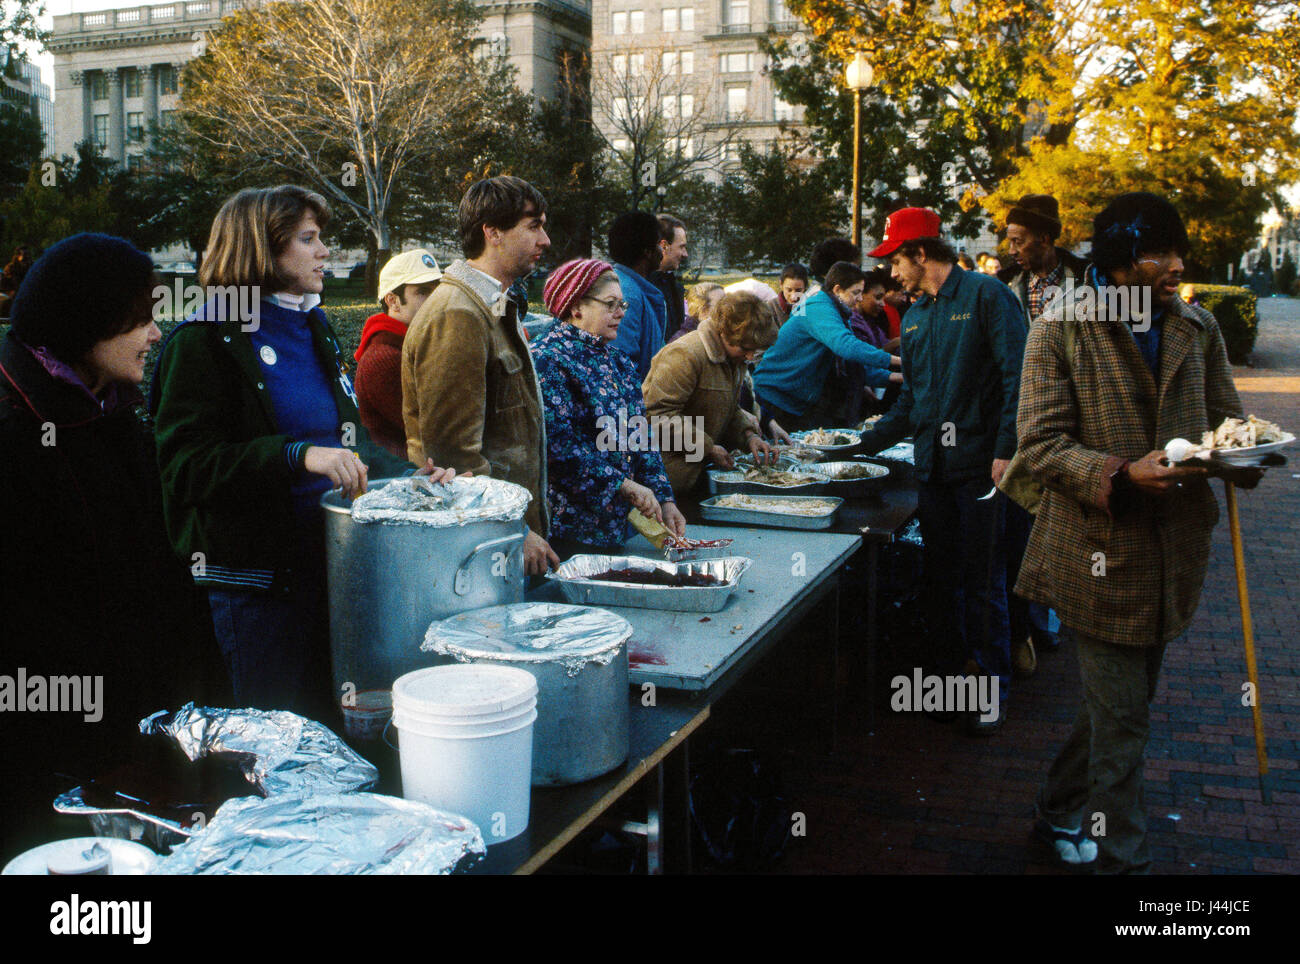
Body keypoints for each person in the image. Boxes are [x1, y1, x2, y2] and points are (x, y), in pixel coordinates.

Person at [1017, 192, 1257, 872]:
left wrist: (1241, 456)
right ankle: (1126, 861)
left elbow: (1226, 420)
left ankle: (1054, 808)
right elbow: (1040, 445)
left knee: (1115, 708)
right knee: (1124, 723)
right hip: (1096, 554)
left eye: (1179, 252)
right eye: (1159, 255)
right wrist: (1122, 476)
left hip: (1172, 553)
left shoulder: (1198, 327)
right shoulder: (1060, 329)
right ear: (1120, 264)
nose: (1175, 266)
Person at [153, 186, 432, 718]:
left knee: (331, 736)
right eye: (308, 239)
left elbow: (345, 439)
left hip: (328, 571)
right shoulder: (203, 340)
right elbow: (184, 467)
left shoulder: (312, 324)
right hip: (254, 591)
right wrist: (295, 454)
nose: (325, 250)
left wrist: (413, 476)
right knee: (268, 750)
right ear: (262, 249)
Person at [0, 234, 222, 856]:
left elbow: (157, 569)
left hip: (134, 728)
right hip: (48, 753)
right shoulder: (17, 431)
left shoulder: (107, 409)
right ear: (86, 323)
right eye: (141, 319)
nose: (156, 336)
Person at [859, 207, 1027, 733]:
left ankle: (989, 686)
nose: (891, 273)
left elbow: (1018, 379)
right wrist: (853, 447)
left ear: (922, 253)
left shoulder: (987, 295)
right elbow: (910, 404)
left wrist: (1006, 451)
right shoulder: (916, 317)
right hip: (933, 469)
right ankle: (953, 681)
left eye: (895, 260)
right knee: (942, 578)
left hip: (981, 468)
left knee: (982, 579)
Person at [402, 175, 558, 576]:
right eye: (533, 226)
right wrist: (513, 529)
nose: (546, 240)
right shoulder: (458, 313)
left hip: (500, 544)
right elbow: (450, 455)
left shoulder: (488, 305)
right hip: (483, 550)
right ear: (493, 233)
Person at [531, 259, 686, 555]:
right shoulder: (548, 360)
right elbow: (559, 450)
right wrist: (624, 486)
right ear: (576, 307)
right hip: (567, 532)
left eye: (622, 305)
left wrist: (665, 499)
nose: (620, 314)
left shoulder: (618, 362)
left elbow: (640, 437)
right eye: (611, 304)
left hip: (615, 528)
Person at [998, 193, 1087, 669]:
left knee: (1067, 520)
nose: (1012, 248)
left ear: (1046, 240)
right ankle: (1028, 624)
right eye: (1009, 240)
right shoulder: (1004, 286)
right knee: (1023, 522)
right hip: (1021, 417)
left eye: (1020, 240)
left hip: (1073, 420)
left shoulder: (1089, 283)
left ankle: (1057, 615)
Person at [644, 291, 779, 495]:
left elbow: (728, 407)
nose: (750, 356)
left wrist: (748, 435)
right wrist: (707, 448)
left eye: (755, 350)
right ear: (725, 332)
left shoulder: (734, 358)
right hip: (668, 481)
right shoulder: (684, 354)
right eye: (745, 347)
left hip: (697, 475)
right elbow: (657, 416)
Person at [752, 261, 902, 434]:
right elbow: (847, 346)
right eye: (856, 292)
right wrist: (899, 361)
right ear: (837, 290)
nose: (860, 298)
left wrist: (899, 376)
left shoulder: (839, 314)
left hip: (795, 402)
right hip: (775, 398)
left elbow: (853, 366)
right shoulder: (819, 308)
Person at [354, 249, 441, 457]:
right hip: (402, 475)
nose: (436, 300)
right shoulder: (384, 359)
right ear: (392, 301)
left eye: (437, 290)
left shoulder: (414, 345)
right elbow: (433, 431)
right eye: (422, 292)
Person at [607, 211, 668, 380]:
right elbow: (620, 365)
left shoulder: (630, 287)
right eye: (659, 244)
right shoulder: (627, 295)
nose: (662, 251)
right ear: (647, 252)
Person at [649, 213, 688, 341]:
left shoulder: (673, 287)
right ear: (664, 246)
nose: (685, 254)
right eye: (682, 247)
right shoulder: (644, 289)